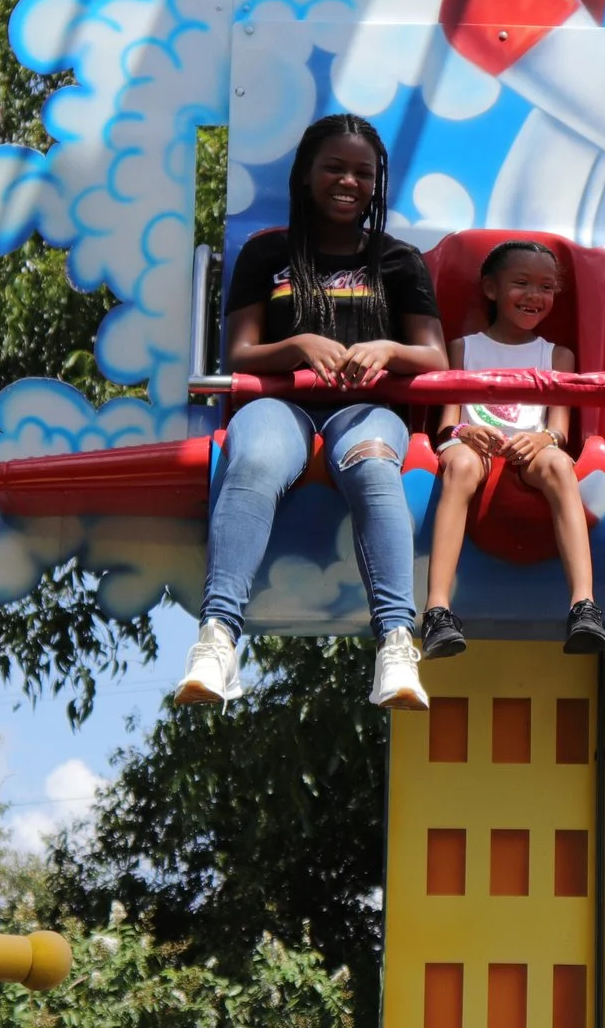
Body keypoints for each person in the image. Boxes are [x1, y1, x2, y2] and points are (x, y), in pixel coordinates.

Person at [177, 113, 449, 712]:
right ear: (305, 175)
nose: (349, 181)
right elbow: (241, 352)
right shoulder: (266, 252)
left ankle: (397, 644)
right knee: (256, 460)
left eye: (363, 172)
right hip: (279, 405)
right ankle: (217, 638)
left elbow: (432, 356)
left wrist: (388, 349)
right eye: (335, 167)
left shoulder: (398, 260)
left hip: (369, 411)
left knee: (374, 465)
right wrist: (300, 344)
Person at [417, 241, 605, 659]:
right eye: (521, 283)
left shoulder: (556, 356)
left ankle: (584, 605)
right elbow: (446, 423)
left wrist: (545, 439)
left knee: (559, 466)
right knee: (463, 466)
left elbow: (559, 430)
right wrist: (465, 432)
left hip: (531, 448)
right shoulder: (463, 348)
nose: (534, 296)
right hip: (472, 445)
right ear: (491, 289)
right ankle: (437, 608)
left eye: (546, 287)